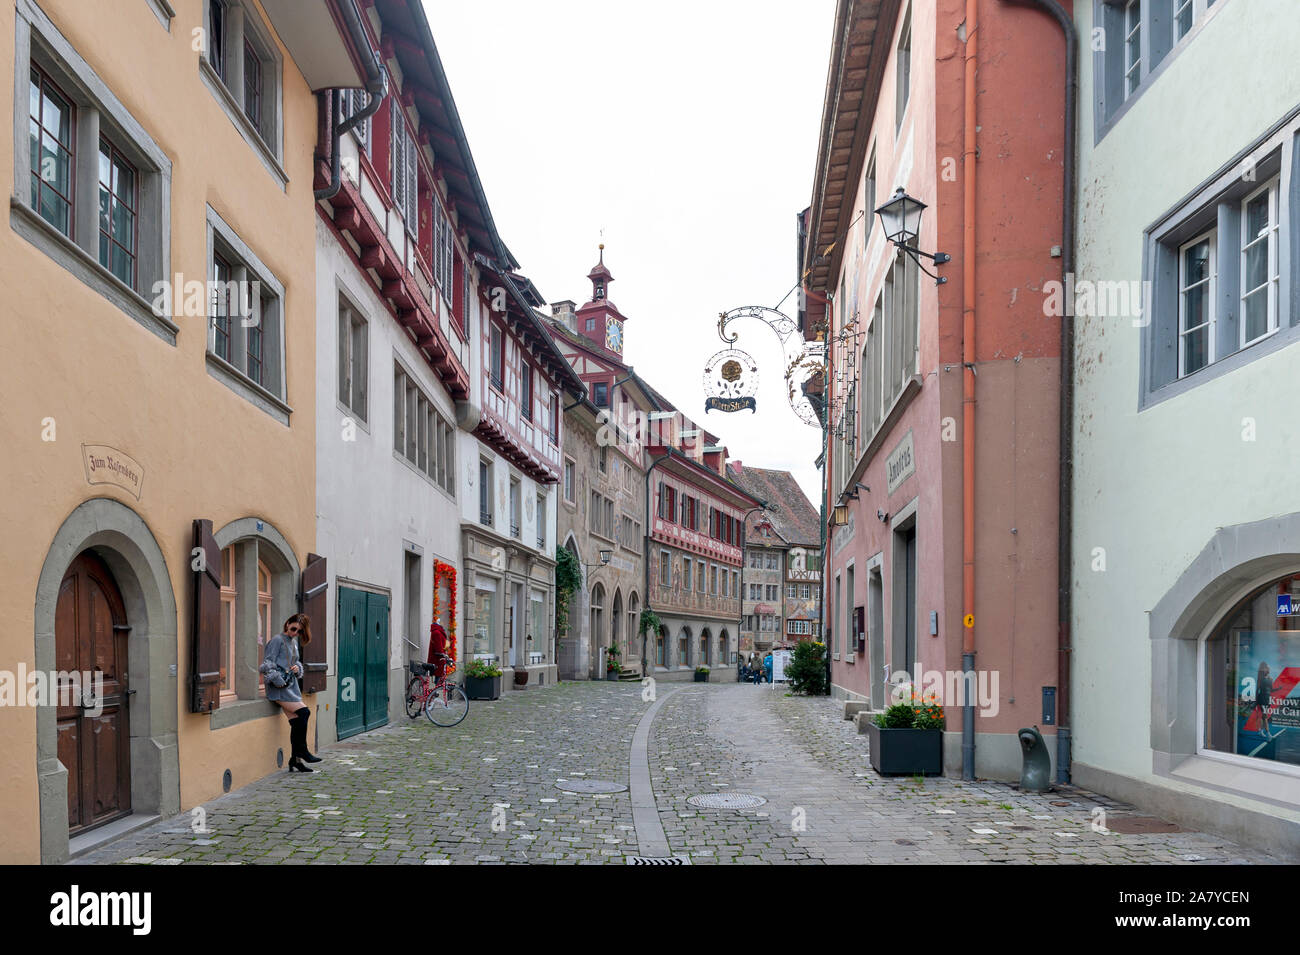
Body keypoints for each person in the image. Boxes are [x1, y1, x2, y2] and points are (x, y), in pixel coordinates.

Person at [261, 613, 320, 772]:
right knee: (304, 712)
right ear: (287, 624)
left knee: (297, 722)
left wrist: (297, 668)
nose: (295, 633)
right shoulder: (277, 640)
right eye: (294, 629)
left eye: (299, 631)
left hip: (290, 686)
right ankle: (303, 751)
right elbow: (267, 664)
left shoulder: (292, 642)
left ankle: (296, 760)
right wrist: (278, 679)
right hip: (279, 687)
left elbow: (294, 661)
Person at [1254, 662, 1274, 736]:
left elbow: (1271, 690)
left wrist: (1279, 688)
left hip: (1267, 699)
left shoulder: (1271, 679)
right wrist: (1256, 701)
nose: (1268, 669)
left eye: (1268, 668)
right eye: (1267, 668)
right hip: (1262, 698)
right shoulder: (1260, 678)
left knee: (1263, 716)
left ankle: (1261, 730)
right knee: (1265, 716)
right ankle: (1268, 733)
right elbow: (1257, 690)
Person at [429, 618, 449, 682]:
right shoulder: (437, 632)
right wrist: (442, 654)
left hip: (439, 657)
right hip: (438, 658)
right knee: (438, 675)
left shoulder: (437, 631)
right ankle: (436, 687)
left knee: (439, 675)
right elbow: (438, 646)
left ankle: (437, 687)